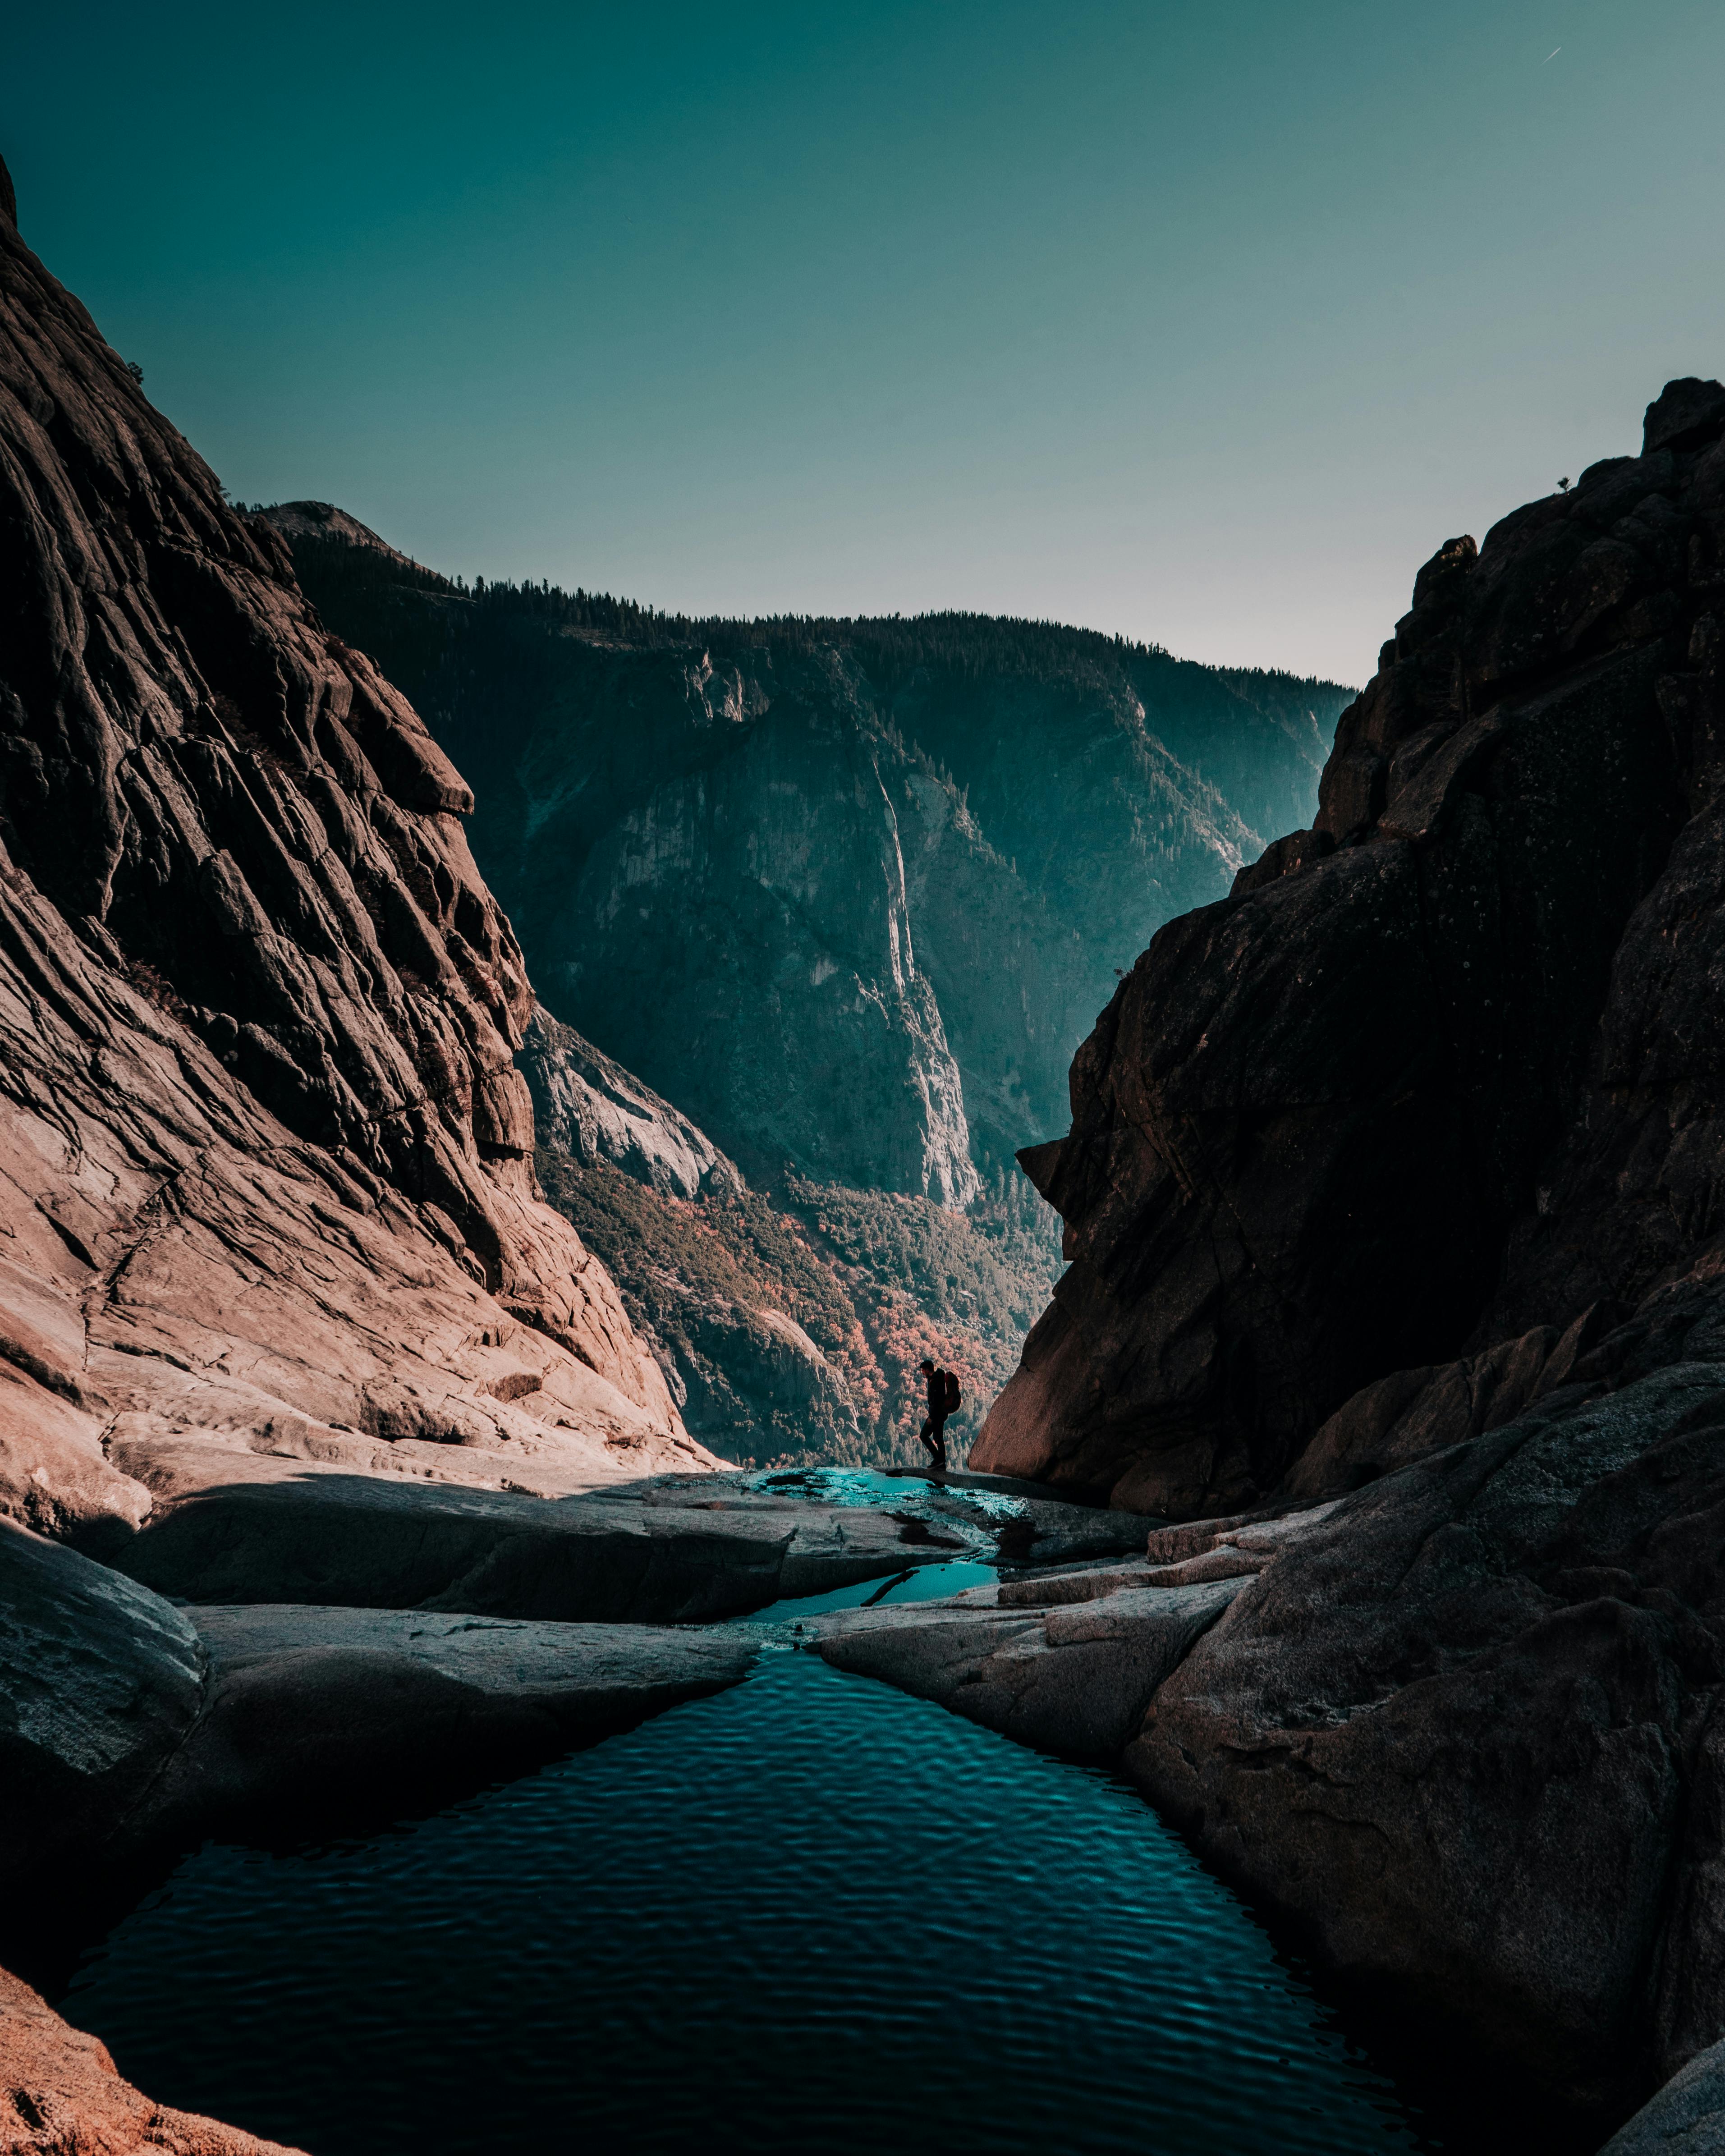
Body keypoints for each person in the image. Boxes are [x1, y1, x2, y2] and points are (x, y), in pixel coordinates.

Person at [917, 1356, 951, 1474]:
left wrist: (931, 1417)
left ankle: (939, 1460)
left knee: (924, 1435)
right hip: (941, 1414)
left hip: (937, 1415)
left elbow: (936, 1401)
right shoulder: (937, 1377)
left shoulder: (935, 1382)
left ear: (927, 1370)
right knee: (938, 1437)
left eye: (923, 1370)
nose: (922, 1373)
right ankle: (941, 1463)